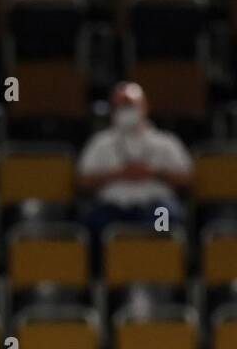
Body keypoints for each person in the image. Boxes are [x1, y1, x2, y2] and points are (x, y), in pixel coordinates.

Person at [78, 81, 193, 266]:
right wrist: (119, 174)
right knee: (94, 222)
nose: (125, 110)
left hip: (156, 206)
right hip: (113, 208)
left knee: (165, 219)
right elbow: (84, 181)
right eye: (120, 105)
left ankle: (159, 269)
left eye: (130, 105)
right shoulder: (100, 143)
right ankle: (105, 276)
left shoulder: (166, 142)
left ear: (144, 106)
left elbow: (185, 180)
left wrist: (153, 174)